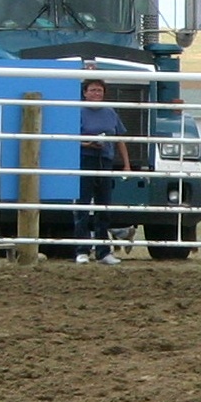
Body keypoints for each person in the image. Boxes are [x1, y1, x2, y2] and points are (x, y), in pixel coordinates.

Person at [74, 78, 131, 263]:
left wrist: (126, 164)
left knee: (104, 206)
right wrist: (87, 143)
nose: (96, 94)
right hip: (84, 159)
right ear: (85, 93)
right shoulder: (77, 111)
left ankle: (103, 251)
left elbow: (119, 138)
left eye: (99, 90)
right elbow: (69, 138)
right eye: (92, 90)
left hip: (105, 160)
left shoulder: (110, 112)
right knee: (82, 206)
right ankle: (81, 250)